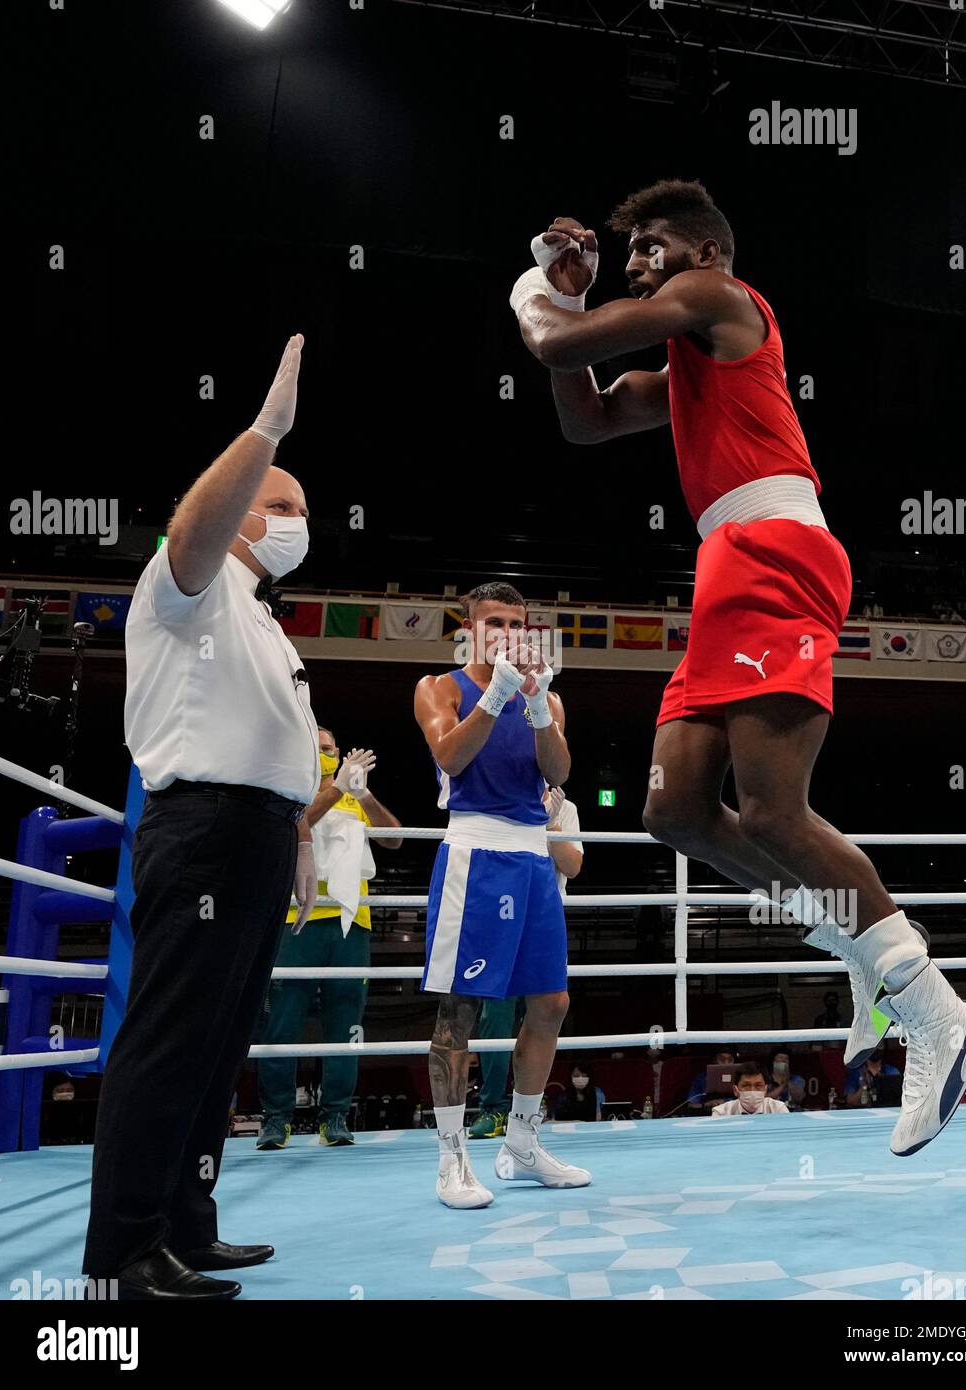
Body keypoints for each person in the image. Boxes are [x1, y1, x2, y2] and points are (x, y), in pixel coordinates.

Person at [509, 181, 966, 1158]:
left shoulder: (723, 300)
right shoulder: (685, 360)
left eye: (648, 246)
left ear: (701, 251)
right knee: (674, 810)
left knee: (772, 809)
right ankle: (861, 945)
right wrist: (567, 306)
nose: (636, 260)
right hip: (725, 563)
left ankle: (941, 1011)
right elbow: (586, 417)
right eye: (628, 251)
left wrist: (549, 292)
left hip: (777, 548)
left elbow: (564, 344)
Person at [83, 336, 319, 1300]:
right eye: (280, 504)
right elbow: (191, 532)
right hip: (204, 831)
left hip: (258, 838)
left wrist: (297, 839)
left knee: (219, 1047)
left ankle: (185, 1224)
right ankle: (124, 1253)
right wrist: (264, 432)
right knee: (172, 1039)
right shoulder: (187, 585)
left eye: (304, 507)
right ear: (236, 510)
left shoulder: (260, 614)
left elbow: (281, 747)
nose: (297, 521)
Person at [414, 582, 590, 1207]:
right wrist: (496, 694)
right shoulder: (439, 688)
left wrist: (538, 704)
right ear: (469, 625)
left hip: (533, 857)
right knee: (460, 1011)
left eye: (517, 621)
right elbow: (451, 758)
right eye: (494, 620)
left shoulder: (549, 697)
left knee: (551, 1003)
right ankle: (451, 1160)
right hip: (474, 855)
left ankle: (520, 1143)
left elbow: (561, 774)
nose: (508, 630)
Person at [256, 727, 402, 1150]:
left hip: (350, 923)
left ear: (339, 754)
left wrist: (364, 795)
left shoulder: (355, 798)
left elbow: (393, 837)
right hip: (294, 922)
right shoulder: (288, 789)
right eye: (317, 748)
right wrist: (336, 790)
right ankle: (275, 1120)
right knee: (281, 1025)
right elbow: (299, 825)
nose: (324, 754)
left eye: (329, 748)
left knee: (346, 1024)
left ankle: (335, 1116)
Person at [469, 784, 584, 1139]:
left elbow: (573, 866)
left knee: (546, 1012)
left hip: (543, 916)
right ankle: (492, 1107)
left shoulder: (566, 807)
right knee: (494, 1017)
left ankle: (526, 1113)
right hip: (499, 913)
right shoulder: (498, 795)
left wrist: (548, 827)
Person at [712, 1062, 789, 1117]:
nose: (752, 1090)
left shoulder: (778, 1109)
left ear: (765, 1090)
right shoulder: (721, 1113)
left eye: (758, 1085)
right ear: (735, 1090)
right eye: (746, 1085)